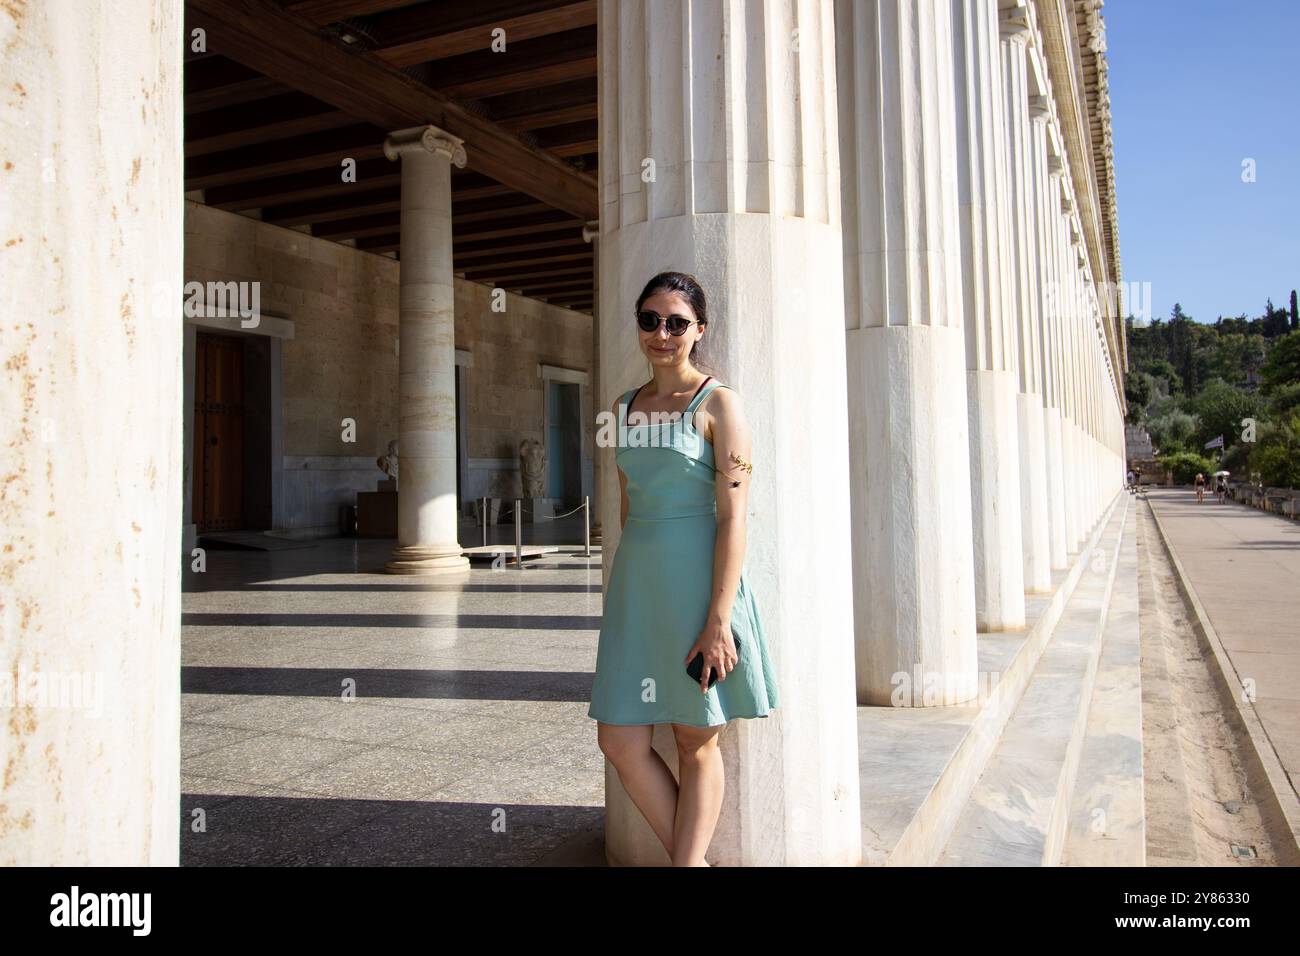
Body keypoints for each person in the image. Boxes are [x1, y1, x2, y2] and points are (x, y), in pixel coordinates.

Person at [587, 271, 779, 867]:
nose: (662, 333)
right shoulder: (623, 406)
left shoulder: (720, 402)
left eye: (676, 323)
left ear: (699, 330)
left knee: (696, 740)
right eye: (650, 320)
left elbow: (735, 517)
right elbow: (626, 506)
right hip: (638, 593)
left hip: (700, 591)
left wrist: (719, 620)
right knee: (618, 738)